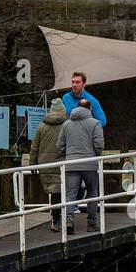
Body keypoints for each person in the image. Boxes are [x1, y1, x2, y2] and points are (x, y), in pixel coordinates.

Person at [57, 97, 104, 232]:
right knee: (92, 193)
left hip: (71, 164)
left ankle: (69, 220)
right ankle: (91, 223)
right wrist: (95, 157)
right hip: (90, 164)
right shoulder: (95, 124)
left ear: (77, 107)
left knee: (70, 194)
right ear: (89, 109)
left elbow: (59, 145)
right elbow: (99, 145)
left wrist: (69, 155)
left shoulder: (66, 124)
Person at [31, 98, 69, 232]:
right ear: (63, 110)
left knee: (54, 193)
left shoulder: (41, 126)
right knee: (66, 191)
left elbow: (34, 147)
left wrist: (32, 164)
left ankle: (56, 219)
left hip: (44, 164)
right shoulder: (67, 124)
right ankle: (63, 219)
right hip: (62, 163)